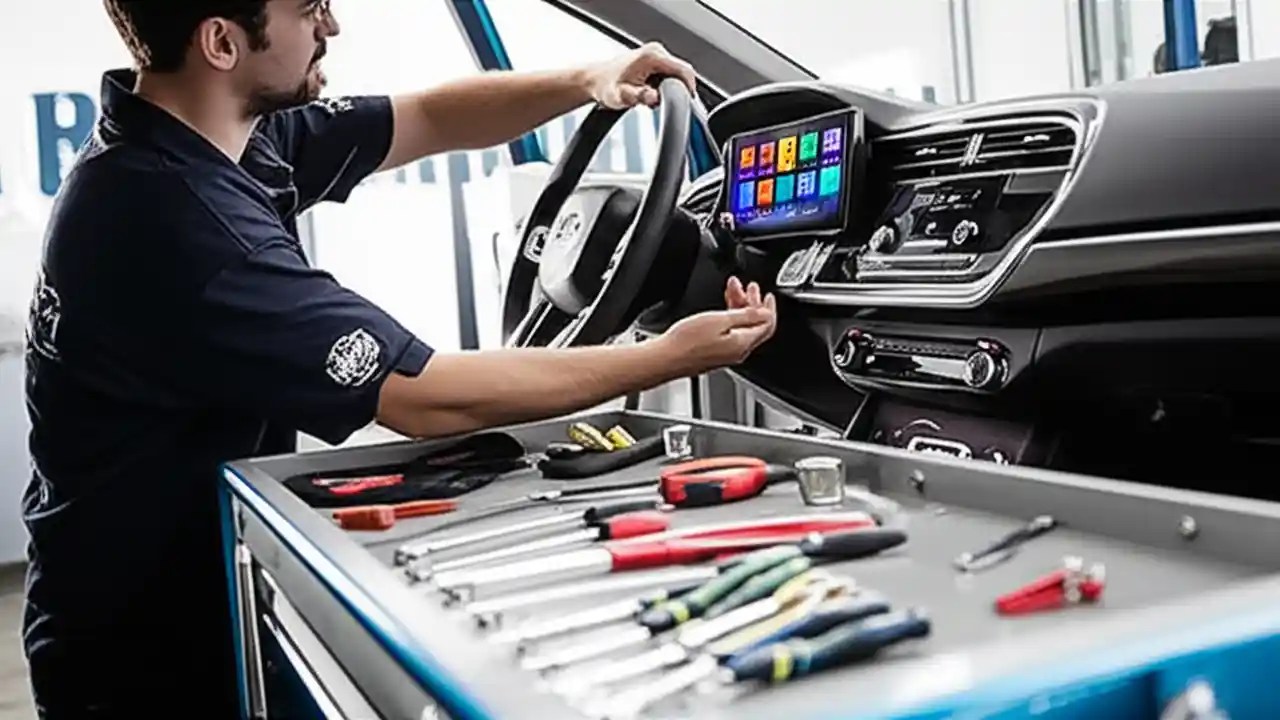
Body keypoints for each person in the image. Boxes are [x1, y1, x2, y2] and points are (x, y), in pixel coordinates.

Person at [23, 1, 777, 716]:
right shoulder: (180, 223)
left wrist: (589, 81)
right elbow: (422, 396)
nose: (333, 24)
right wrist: (664, 355)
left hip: (165, 583)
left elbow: (428, 117)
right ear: (221, 43)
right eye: (308, 8)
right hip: (146, 655)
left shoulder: (202, 134)